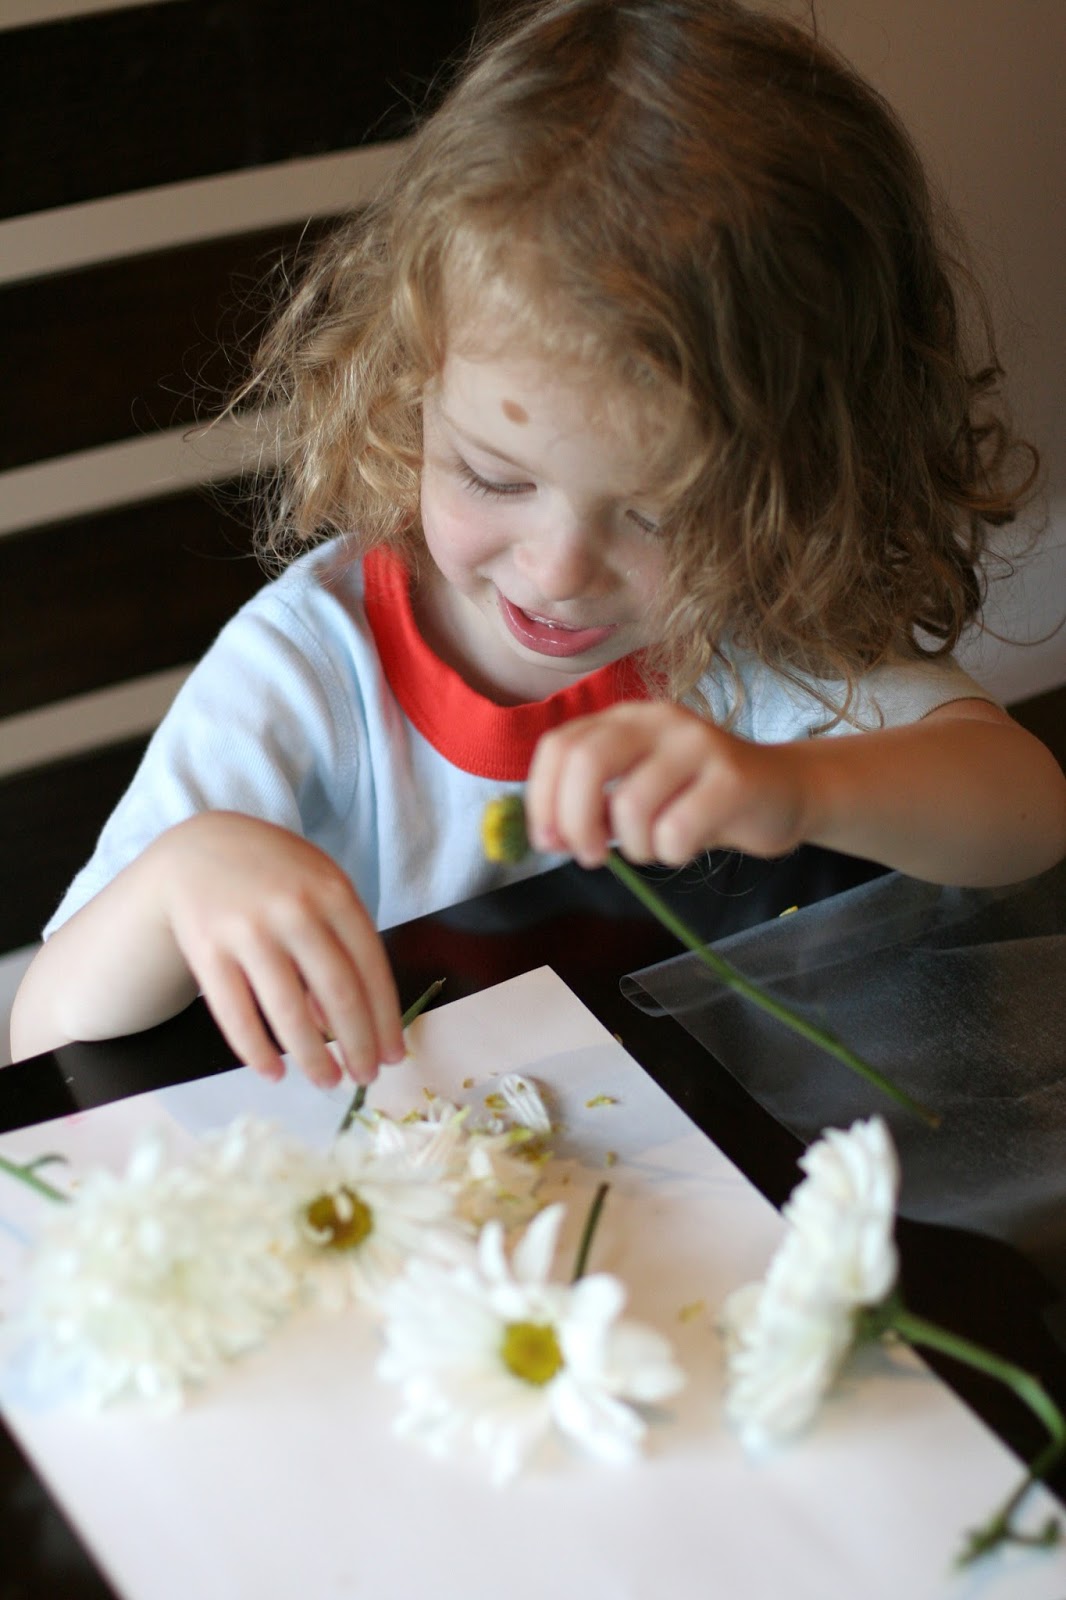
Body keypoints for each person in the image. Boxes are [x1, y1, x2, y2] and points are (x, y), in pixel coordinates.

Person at [11, 0, 1066, 1086]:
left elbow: (1023, 814)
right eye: (493, 475)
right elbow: (39, 1036)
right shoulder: (307, 678)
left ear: (793, 492)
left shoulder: (750, 629)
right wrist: (179, 880)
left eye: (658, 515)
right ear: (408, 386)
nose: (559, 570)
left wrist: (793, 786)